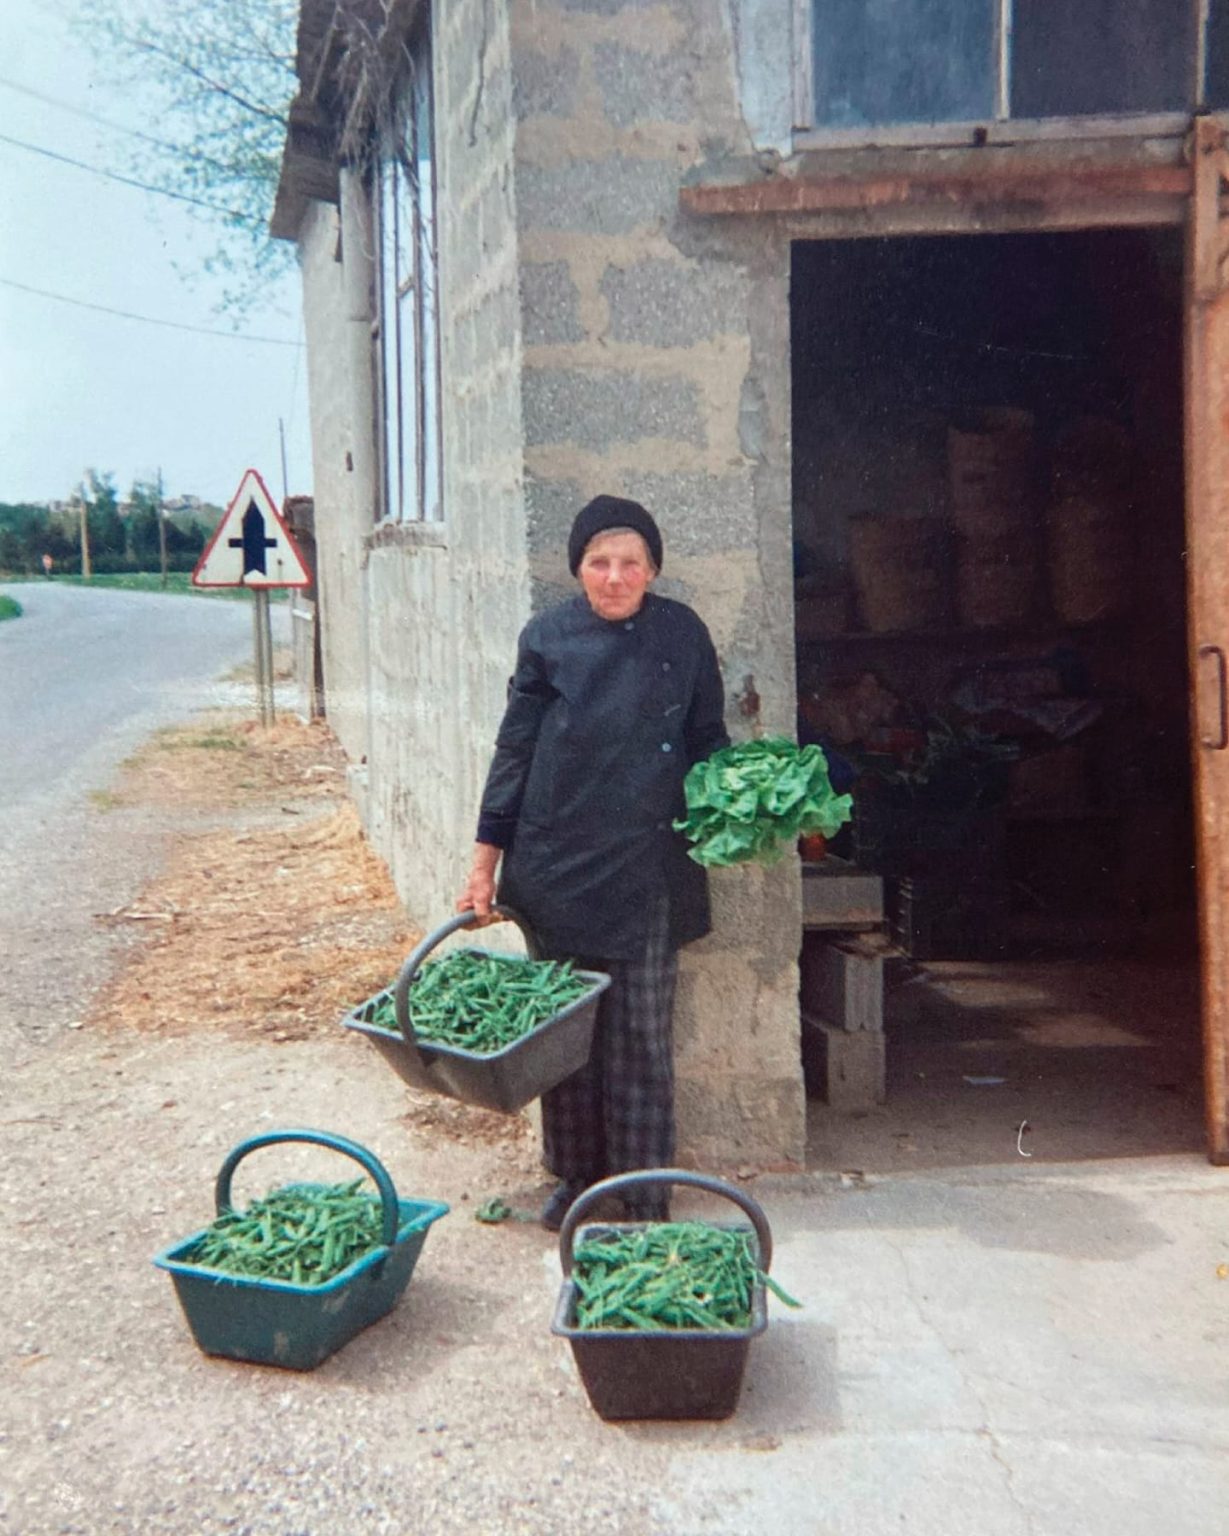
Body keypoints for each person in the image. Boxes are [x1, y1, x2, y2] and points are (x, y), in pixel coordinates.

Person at [457, 494, 730, 1230]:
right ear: (578, 568)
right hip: (556, 864)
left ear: (651, 569)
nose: (615, 577)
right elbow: (513, 751)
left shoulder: (681, 632)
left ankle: (643, 1199)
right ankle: (575, 1182)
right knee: (564, 1042)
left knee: (639, 1040)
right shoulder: (547, 638)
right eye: (599, 562)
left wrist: (738, 805)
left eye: (630, 563)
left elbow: (709, 740)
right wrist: (483, 864)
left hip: (649, 868)